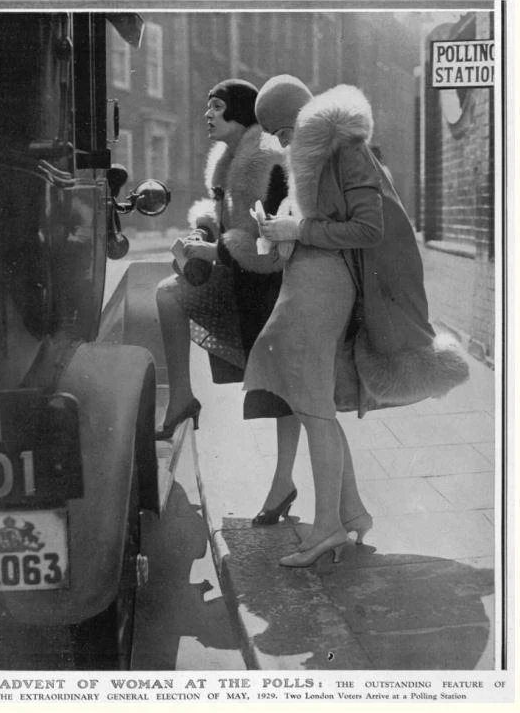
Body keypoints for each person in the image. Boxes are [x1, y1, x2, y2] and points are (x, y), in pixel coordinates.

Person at [244, 75, 470, 567]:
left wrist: (296, 227)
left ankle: (327, 528)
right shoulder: (322, 153)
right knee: (312, 400)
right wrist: (284, 227)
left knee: (311, 402)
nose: (283, 145)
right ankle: (351, 514)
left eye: (283, 133)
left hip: (326, 291)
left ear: (298, 120)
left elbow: (369, 228)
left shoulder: (344, 149)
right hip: (316, 284)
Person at [155, 78, 300, 450]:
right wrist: (204, 231)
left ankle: (284, 482)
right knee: (168, 295)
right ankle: (182, 399)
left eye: (217, 106)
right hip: (241, 282)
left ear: (240, 110)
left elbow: (272, 246)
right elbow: (227, 219)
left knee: (286, 394)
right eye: (208, 106)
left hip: (272, 293)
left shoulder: (267, 162)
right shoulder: (228, 162)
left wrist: (216, 251)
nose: (207, 114)